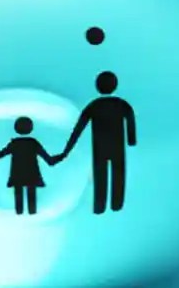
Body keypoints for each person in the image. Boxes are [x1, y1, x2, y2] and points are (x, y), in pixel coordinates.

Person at [57, 71, 136, 214]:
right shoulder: (122, 105)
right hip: (117, 146)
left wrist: (67, 149)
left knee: (100, 175)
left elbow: (79, 128)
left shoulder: (94, 106)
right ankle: (116, 204)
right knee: (118, 174)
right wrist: (131, 140)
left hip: (100, 147)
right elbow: (130, 120)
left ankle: (100, 206)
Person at [0, 117, 58, 215]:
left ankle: (19, 214)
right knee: (31, 196)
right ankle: (32, 213)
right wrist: (62, 156)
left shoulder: (14, 143)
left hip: (17, 175)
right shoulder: (33, 143)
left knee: (18, 197)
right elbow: (49, 159)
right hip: (32, 174)